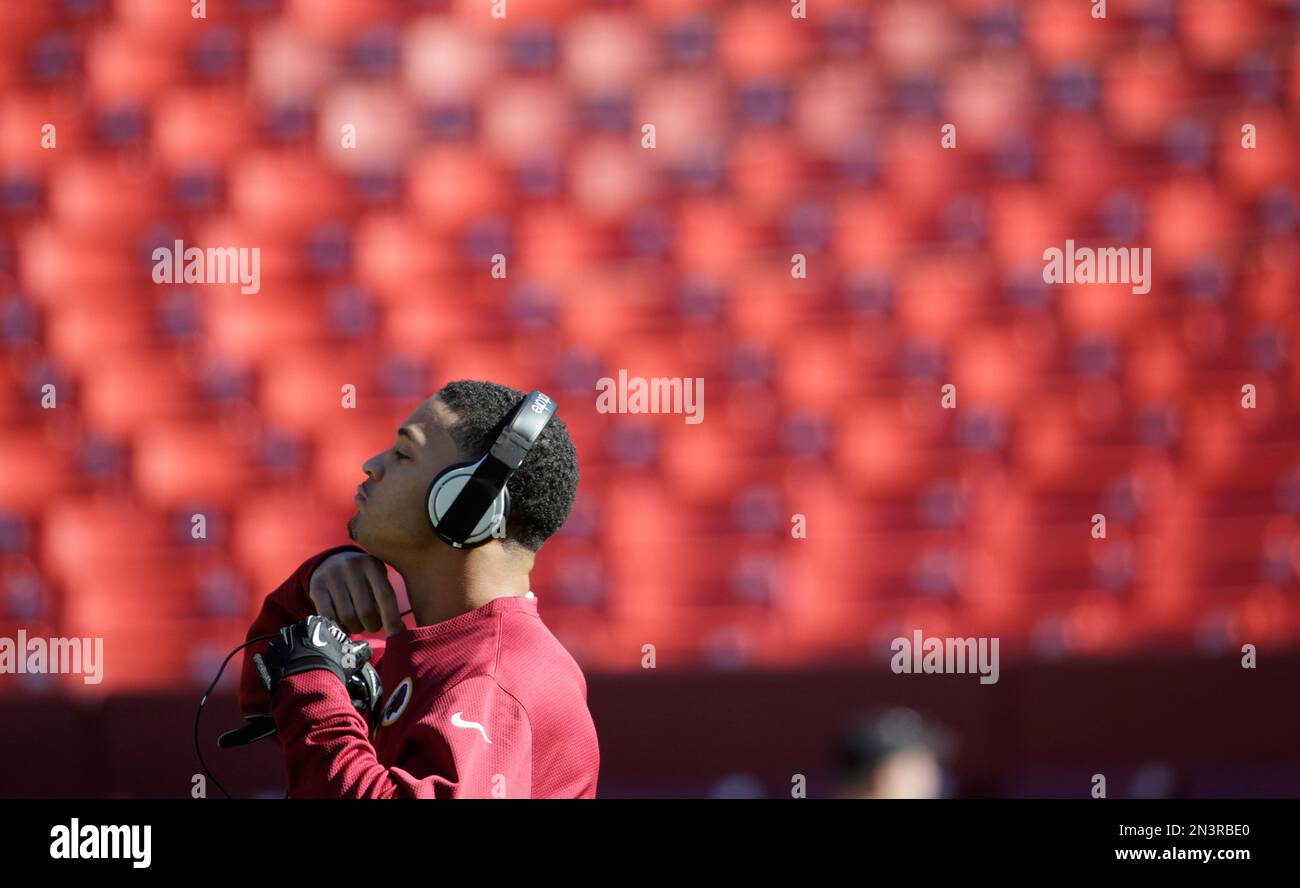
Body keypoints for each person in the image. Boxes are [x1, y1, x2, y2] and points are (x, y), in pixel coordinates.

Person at [236, 380, 599, 798]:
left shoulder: (496, 680)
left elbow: (306, 692)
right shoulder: (445, 654)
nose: (372, 464)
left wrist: (317, 688)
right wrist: (308, 592)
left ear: (466, 503)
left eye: (403, 454)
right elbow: (265, 694)